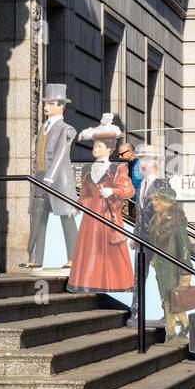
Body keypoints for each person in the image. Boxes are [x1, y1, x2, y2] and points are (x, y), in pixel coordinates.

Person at [67, 115, 134, 294]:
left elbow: (128, 190)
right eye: (94, 146)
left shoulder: (117, 168)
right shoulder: (88, 169)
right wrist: (77, 207)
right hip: (91, 216)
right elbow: (86, 194)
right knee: (90, 250)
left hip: (108, 214)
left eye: (100, 146)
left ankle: (115, 283)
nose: (95, 149)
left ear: (109, 149)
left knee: (110, 252)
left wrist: (113, 191)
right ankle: (90, 281)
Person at [23, 84, 78, 269]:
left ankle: (74, 257)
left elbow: (61, 154)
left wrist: (49, 177)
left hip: (59, 180)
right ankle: (35, 259)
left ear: (61, 106)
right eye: (46, 103)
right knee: (38, 216)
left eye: (51, 103)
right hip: (40, 177)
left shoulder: (67, 129)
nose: (46, 107)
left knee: (66, 217)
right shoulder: (43, 127)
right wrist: (41, 177)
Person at [147, 183, 193, 341]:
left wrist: (185, 269)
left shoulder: (177, 222)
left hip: (174, 266)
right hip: (161, 265)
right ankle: (186, 325)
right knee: (170, 298)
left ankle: (170, 331)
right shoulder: (156, 219)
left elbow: (184, 245)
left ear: (168, 202)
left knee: (169, 299)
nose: (154, 203)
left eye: (158, 200)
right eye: (154, 199)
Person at [127, 144, 163, 328]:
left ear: (154, 162)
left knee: (162, 277)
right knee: (139, 277)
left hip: (157, 241)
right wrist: (135, 236)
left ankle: (168, 312)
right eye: (141, 159)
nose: (142, 163)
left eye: (145, 159)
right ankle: (136, 313)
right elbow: (140, 215)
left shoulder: (162, 184)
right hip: (142, 239)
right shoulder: (142, 185)